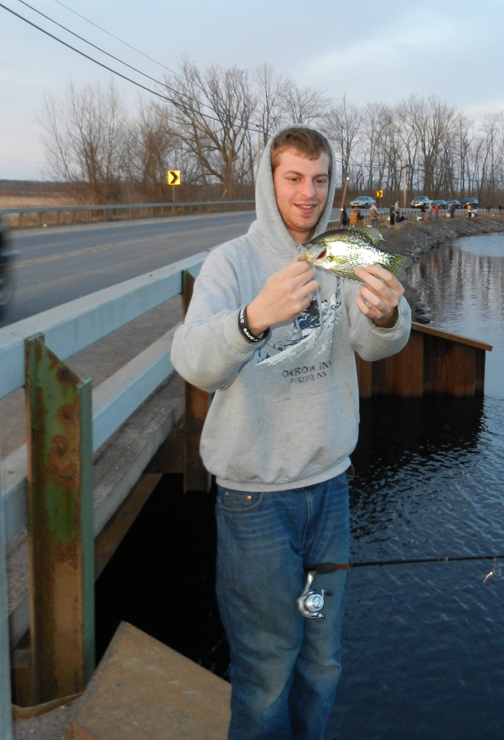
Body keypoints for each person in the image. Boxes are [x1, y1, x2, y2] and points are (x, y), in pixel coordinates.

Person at [171, 127, 411, 740]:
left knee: (324, 660)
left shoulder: (342, 254)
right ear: (269, 181)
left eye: (320, 179)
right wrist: (254, 319)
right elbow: (194, 361)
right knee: (267, 668)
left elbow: (376, 343)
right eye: (294, 178)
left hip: (329, 494)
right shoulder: (232, 263)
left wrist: (388, 313)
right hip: (254, 503)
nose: (308, 194)